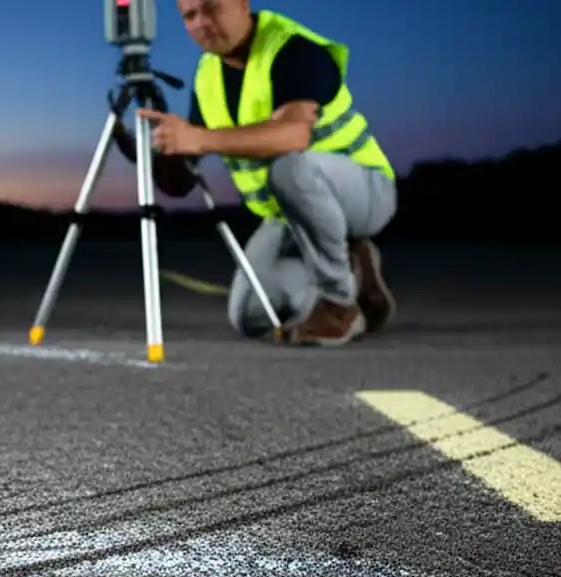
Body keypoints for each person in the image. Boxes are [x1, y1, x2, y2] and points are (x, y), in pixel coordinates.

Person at [112, 0, 398, 346]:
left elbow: (294, 136)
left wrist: (198, 138)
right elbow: (182, 183)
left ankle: (338, 302)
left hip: (364, 191)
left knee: (290, 166)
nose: (201, 22)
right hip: (286, 215)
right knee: (250, 313)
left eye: (211, 8)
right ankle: (355, 278)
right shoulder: (207, 77)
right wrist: (155, 153)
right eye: (190, 15)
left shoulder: (292, 48)